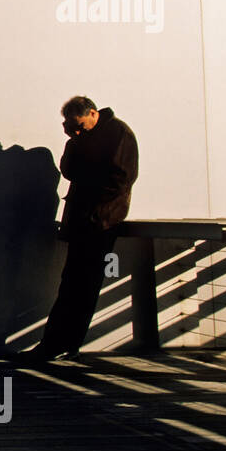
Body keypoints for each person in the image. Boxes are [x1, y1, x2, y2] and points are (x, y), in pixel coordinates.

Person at [26, 96, 138, 361]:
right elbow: (68, 170)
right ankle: (61, 344)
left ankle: (58, 344)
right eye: (72, 127)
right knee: (75, 283)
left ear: (93, 113)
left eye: (79, 125)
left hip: (100, 220)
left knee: (82, 284)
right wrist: (75, 140)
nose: (77, 131)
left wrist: (91, 196)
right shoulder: (85, 137)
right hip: (87, 220)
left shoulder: (118, 133)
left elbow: (122, 179)